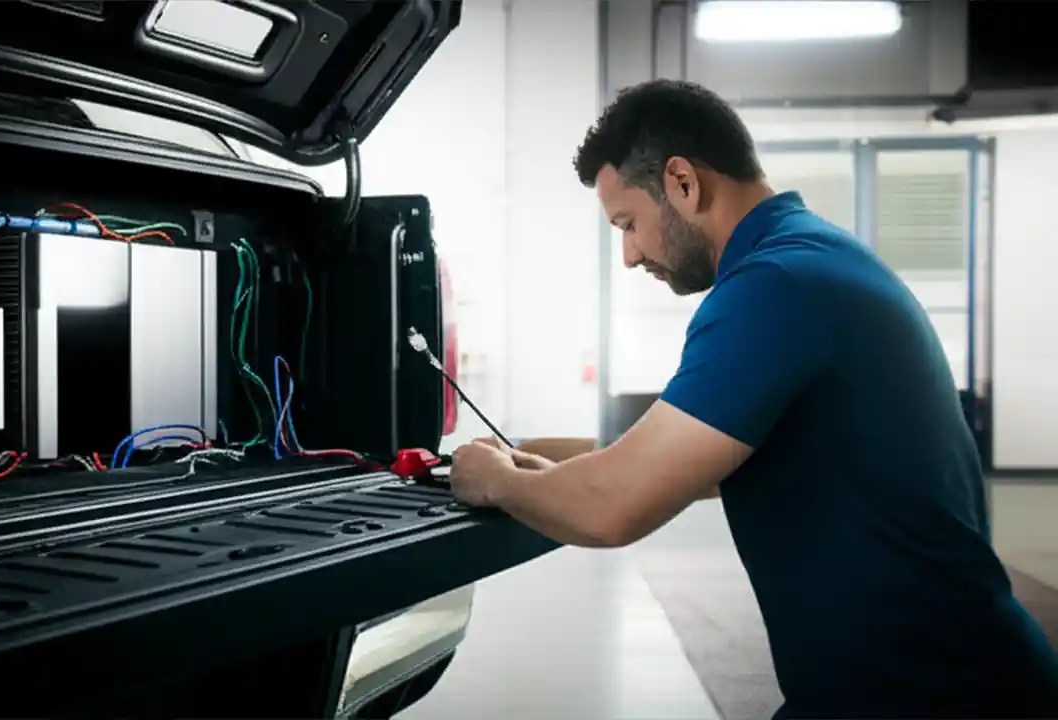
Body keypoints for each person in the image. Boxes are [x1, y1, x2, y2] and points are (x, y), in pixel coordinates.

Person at [448, 79, 1058, 719]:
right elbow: (677, 463)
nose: (628, 255)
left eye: (628, 224)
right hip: (912, 683)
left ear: (682, 182)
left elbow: (613, 506)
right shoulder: (809, 257)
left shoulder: (774, 287)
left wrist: (494, 481)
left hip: (932, 696)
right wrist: (543, 467)